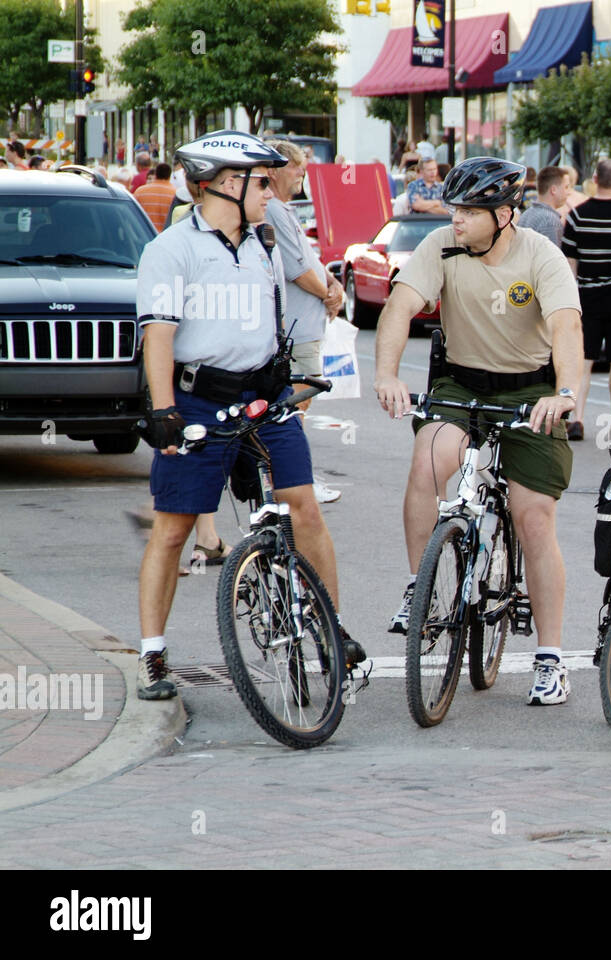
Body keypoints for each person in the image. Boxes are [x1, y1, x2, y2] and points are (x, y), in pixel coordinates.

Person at [131, 130, 365, 701]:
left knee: (304, 508)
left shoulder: (263, 242)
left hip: (264, 399)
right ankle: (153, 655)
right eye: (261, 181)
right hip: (196, 401)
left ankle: (328, 629)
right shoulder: (172, 249)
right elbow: (158, 335)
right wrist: (162, 410)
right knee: (173, 529)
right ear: (225, 185)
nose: (271, 190)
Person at [373, 157, 582, 704]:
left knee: (533, 518)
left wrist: (563, 395)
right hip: (460, 384)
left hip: (529, 391)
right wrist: (387, 373)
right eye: (454, 207)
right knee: (429, 459)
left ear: (506, 214)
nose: (456, 218)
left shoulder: (543, 257)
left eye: (469, 210)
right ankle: (425, 593)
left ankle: (551, 659)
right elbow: (400, 307)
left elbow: (566, 327)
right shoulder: (441, 245)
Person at [265, 138, 347, 503]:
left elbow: (308, 260)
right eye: (295, 164)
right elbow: (298, 270)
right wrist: (328, 293)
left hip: (304, 325)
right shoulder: (275, 211)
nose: (301, 171)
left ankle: (291, 478)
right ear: (273, 170)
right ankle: (295, 482)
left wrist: (333, 285)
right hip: (297, 326)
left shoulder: (283, 209)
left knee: (298, 403)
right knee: (297, 403)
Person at [562, 158, 611, 439]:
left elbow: (570, 264)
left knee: (584, 359)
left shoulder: (577, 216)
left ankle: (576, 418)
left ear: (594, 178)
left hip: (586, 297)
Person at [516, 165, 569, 248]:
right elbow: (552, 259)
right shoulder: (550, 221)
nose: (568, 192)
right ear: (553, 190)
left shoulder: (526, 214)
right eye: (566, 187)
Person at [134, 162, 177, 232]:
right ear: (169, 176)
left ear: (156, 175)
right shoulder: (175, 194)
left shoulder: (140, 192)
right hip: (166, 236)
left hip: (144, 234)